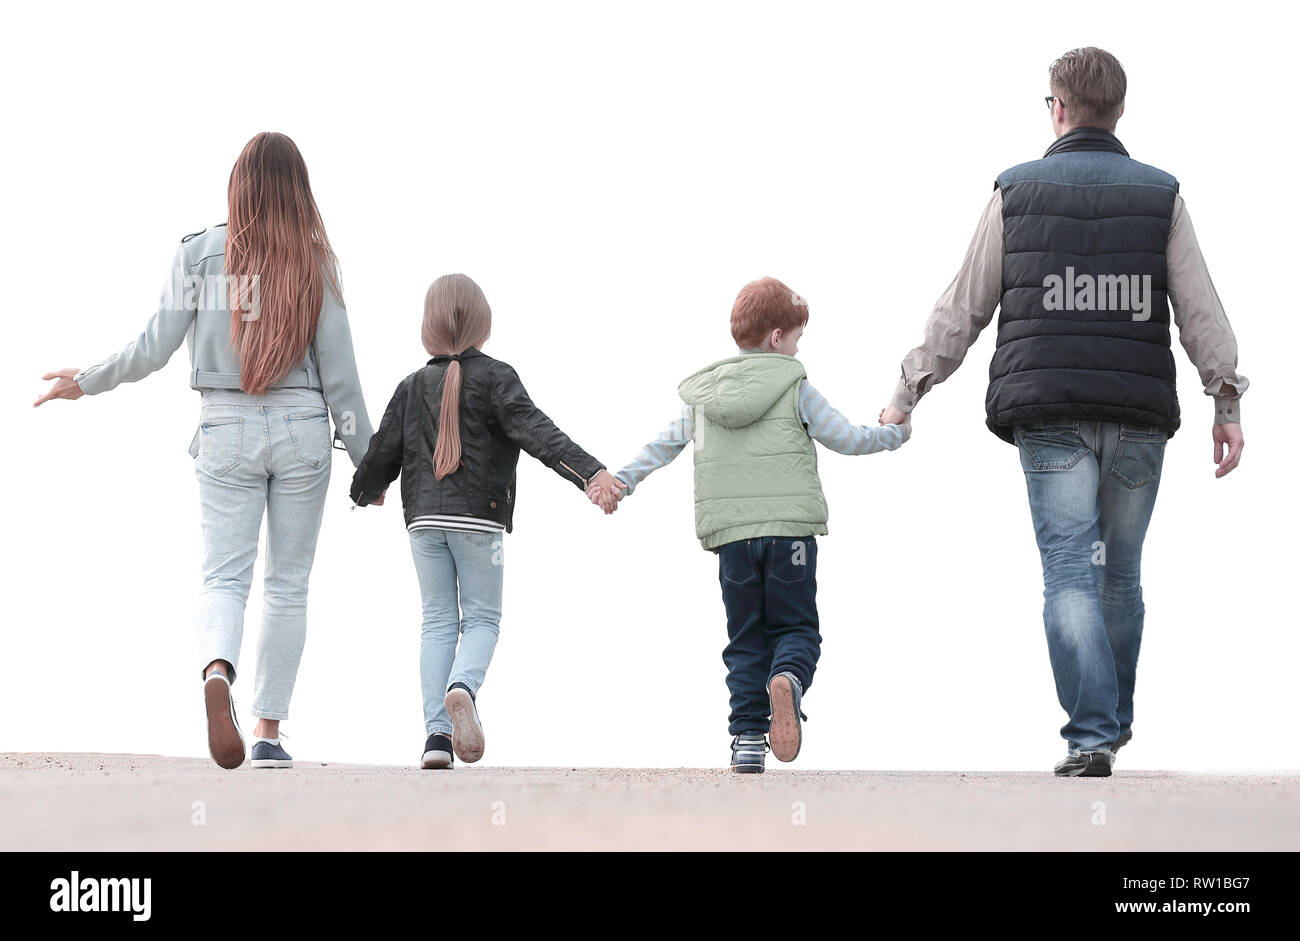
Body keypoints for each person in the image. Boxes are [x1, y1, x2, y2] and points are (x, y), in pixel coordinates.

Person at [878, 48, 1249, 777]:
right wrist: (1225, 399)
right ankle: (1111, 721)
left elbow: (965, 305)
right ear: (1119, 111)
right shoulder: (1161, 194)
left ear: (1055, 107)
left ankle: (1091, 734)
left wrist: (908, 388)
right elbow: (1202, 310)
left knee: (1070, 572)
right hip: (1139, 416)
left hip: (1049, 412)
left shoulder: (1015, 191)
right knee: (1120, 574)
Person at [34, 132, 375, 771]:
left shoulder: (198, 256)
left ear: (237, 184)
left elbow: (151, 347)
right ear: (299, 187)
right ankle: (269, 734)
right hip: (303, 425)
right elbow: (343, 376)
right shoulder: (316, 263)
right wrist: (370, 463)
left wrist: (86, 379)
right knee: (288, 586)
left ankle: (217, 671)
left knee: (224, 576)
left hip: (225, 425)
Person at [596, 277, 910, 773]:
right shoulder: (795, 388)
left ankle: (746, 739)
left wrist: (619, 482)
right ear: (778, 338)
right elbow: (847, 439)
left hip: (734, 541)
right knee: (797, 628)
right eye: (798, 340)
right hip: (791, 538)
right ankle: (787, 677)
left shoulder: (704, 398)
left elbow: (661, 448)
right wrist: (894, 433)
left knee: (745, 637)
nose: (797, 350)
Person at [349, 273, 623, 769]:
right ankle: (463, 687)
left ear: (427, 328)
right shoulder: (497, 378)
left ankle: (436, 738)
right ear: (484, 325)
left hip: (423, 523)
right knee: (481, 618)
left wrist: (366, 492)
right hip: (481, 523)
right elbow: (540, 433)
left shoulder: (411, 387)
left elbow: (380, 451)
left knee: (436, 622)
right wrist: (592, 474)